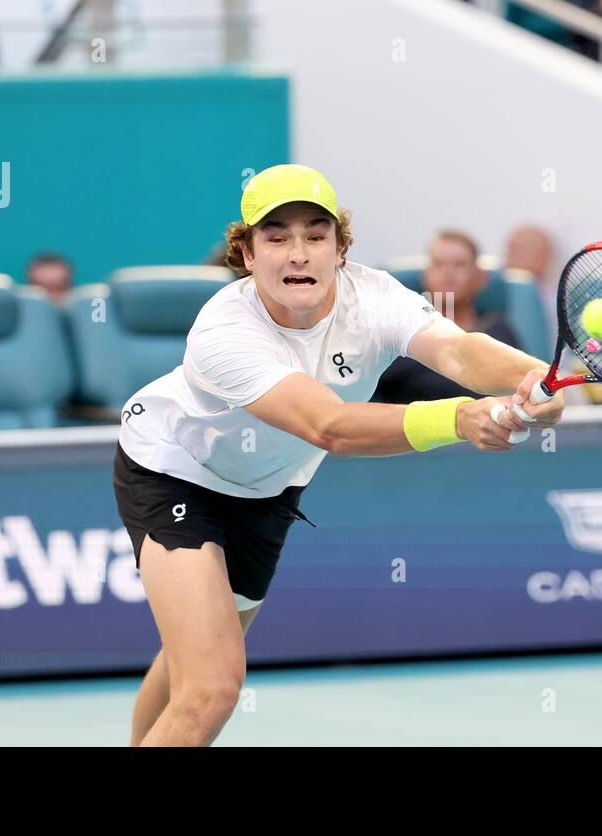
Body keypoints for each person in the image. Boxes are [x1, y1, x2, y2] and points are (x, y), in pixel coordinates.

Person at [113, 164, 564, 746]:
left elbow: (457, 351)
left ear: (341, 249)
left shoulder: (373, 298)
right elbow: (331, 428)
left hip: (267, 491)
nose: (297, 253)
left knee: (192, 660)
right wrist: (460, 417)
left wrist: (534, 378)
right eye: (276, 238)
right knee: (214, 686)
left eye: (314, 235)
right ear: (247, 255)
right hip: (173, 471)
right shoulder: (223, 332)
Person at [373, 230, 519, 402]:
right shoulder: (399, 331)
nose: (447, 272)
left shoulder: (498, 330)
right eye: (438, 264)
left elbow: (518, 388)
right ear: (425, 276)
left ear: (481, 278)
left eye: (459, 264)